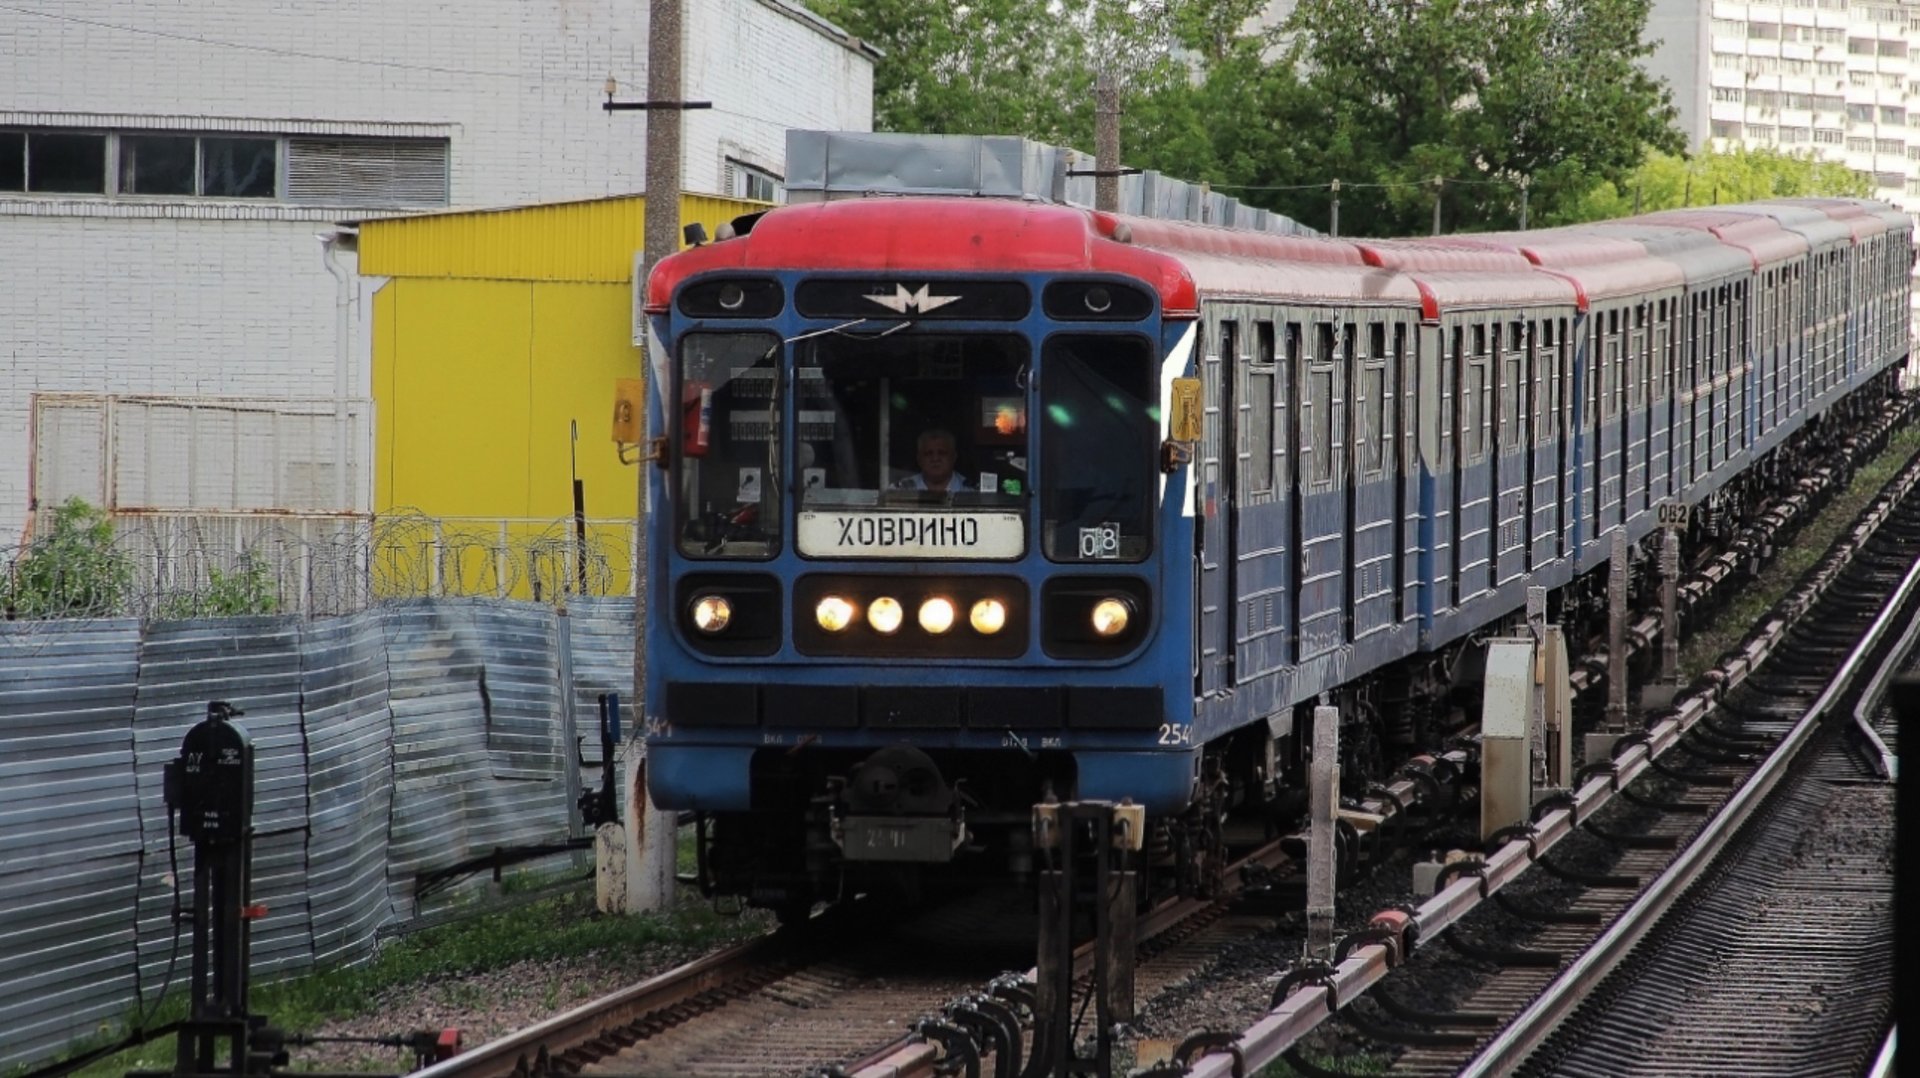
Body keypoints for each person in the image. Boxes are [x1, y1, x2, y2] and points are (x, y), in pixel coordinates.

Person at [891, 428, 972, 493]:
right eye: (928, 454)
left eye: (942, 453)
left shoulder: (972, 491)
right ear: (919, 459)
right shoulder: (900, 490)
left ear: (954, 457)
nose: (935, 459)